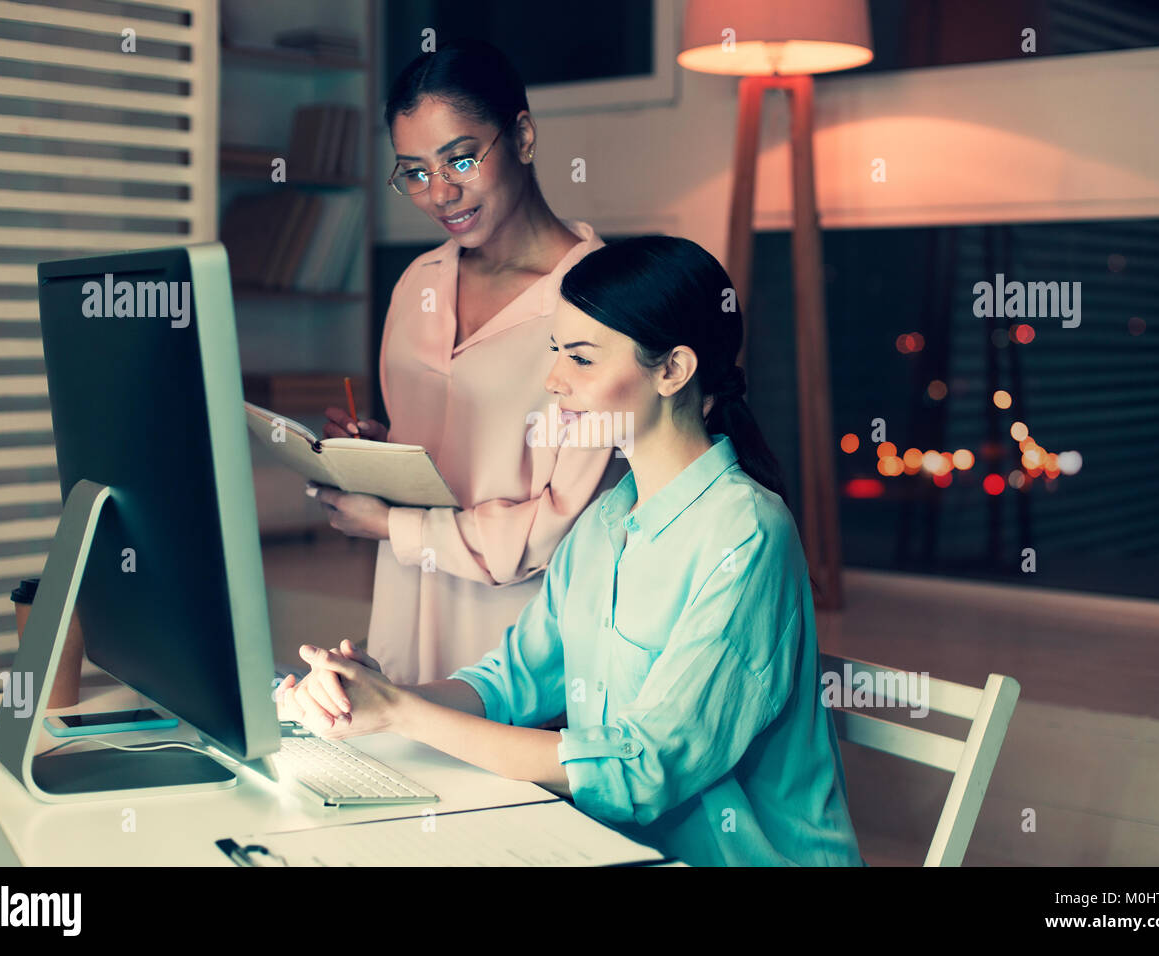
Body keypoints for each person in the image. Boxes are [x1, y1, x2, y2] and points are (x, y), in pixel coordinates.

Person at [279, 235, 864, 867]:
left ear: (672, 370)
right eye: (556, 352)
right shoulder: (606, 521)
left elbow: (642, 771)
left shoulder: (748, 533)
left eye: (581, 359)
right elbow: (510, 684)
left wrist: (402, 715)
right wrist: (375, 691)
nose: (554, 382)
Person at [313, 38, 624, 688]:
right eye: (416, 172)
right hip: (407, 624)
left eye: (460, 159)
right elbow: (439, 451)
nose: (441, 193)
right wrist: (380, 455)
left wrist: (392, 525)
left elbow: (557, 529)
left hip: (521, 656)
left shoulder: (601, 302)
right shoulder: (417, 284)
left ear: (524, 137)